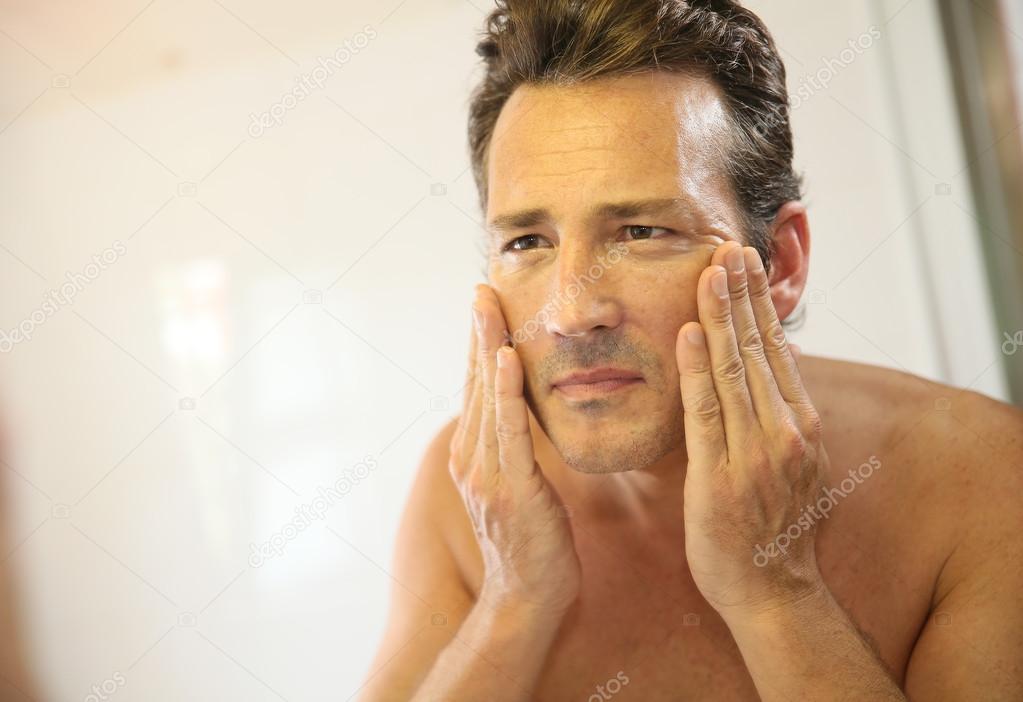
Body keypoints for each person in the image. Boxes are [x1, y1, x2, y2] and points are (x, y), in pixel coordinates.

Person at [359, 1, 1023, 699]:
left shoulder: (980, 475)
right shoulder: (474, 489)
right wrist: (513, 599)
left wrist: (774, 590)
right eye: (527, 242)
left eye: (642, 231)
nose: (571, 312)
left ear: (780, 265)